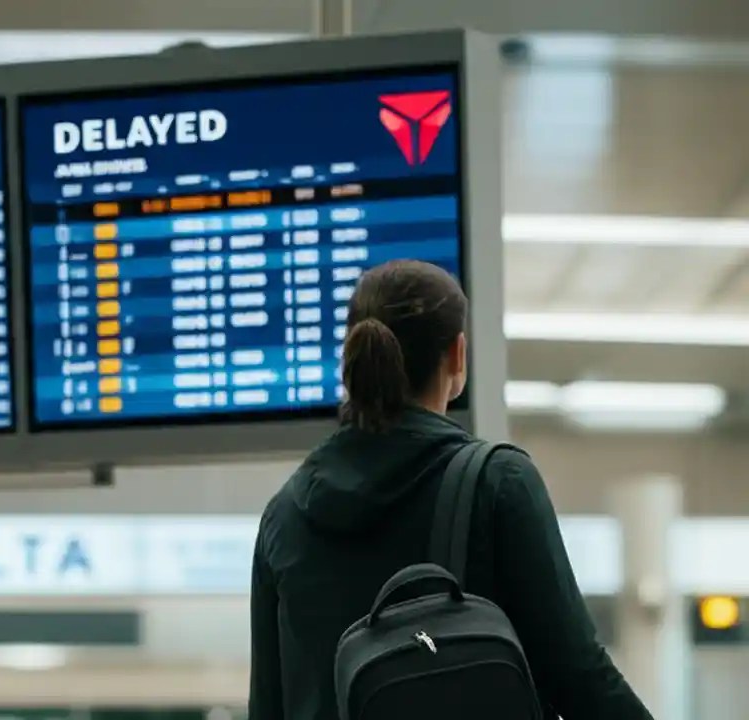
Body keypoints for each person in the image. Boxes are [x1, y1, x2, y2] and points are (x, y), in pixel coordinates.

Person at [248, 259, 652, 720]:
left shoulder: (283, 515)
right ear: (457, 357)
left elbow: (267, 707)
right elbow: (581, 679)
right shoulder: (497, 483)